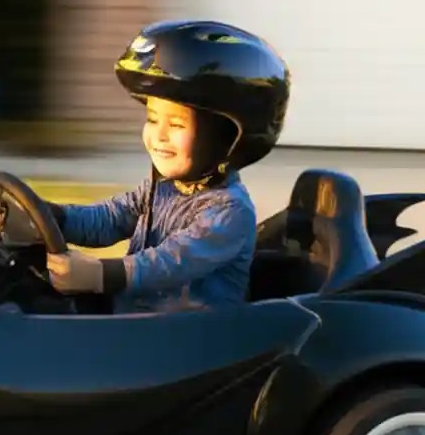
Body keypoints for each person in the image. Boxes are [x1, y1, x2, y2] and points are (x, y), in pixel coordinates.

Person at [45, 19, 291, 313]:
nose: (158, 134)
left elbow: (170, 263)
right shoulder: (160, 189)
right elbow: (108, 219)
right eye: (152, 119)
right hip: (141, 328)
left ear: (224, 138)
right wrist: (52, 217)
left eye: (175, 123)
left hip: (194, 343)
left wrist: (100, 274)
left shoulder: (230, 213)